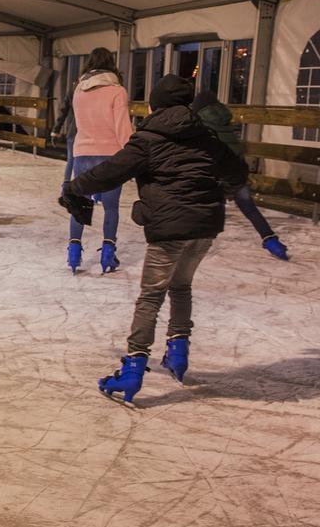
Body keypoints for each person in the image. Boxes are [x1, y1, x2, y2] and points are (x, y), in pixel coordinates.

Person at [60, 75, 249, 404]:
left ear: (153, 105)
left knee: (151, 296)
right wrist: (218, 188)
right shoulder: (205, 137)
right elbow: (238, 171)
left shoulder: (147, 139)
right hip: (205, 226)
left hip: (171, 229)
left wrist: (73, 187)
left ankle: (133, 369)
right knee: (181, 286)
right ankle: (178, 352)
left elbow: (110, 171)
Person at [191, 89, 290, 260]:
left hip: (219, 175)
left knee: (209, 208)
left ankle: (197, 245)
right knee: (249, 209)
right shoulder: (223, 119)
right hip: (237, 172)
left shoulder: (202, 124)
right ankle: (271, 241)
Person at [66, 47, 133, 274]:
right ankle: (108, 253)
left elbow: (79, 123)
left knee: (80, 204)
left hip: (83, 152)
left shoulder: (79, 90)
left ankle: (73, 252)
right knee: (111, 207)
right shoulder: (117, 91)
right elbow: (123, 127)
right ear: (112, 65)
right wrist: (132, 153)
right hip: (110, 155)